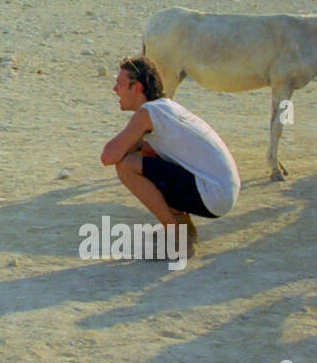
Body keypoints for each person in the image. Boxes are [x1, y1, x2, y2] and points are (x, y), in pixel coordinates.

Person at [100, 56, 241, 255]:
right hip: (222, 191)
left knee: (126, 165)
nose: (115, 89)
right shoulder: (165, 107)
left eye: (120, 84)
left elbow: (108, 156)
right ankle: (183, 227)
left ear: (137, 88)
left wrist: (131, 145)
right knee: (145, 151)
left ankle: (176, 236)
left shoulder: (147, 113)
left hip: (213, 194)